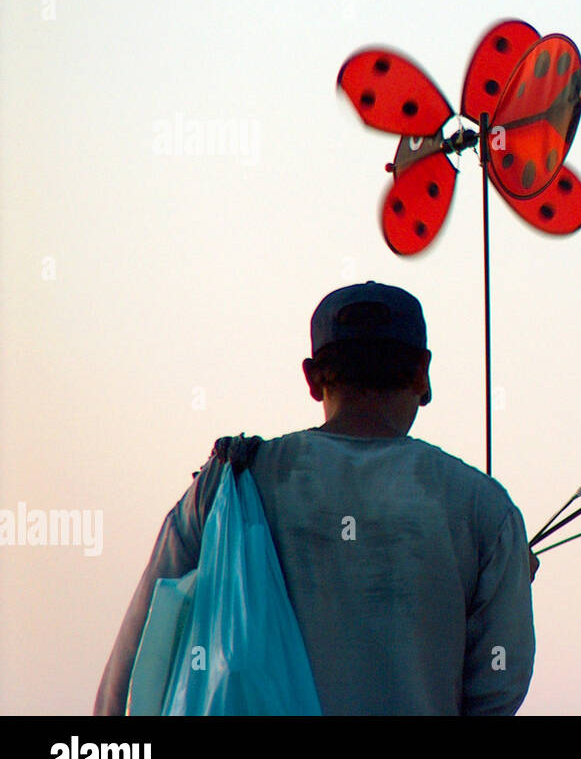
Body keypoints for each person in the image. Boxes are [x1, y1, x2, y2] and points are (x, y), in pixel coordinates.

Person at [94, 281, 536, 715]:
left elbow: (134, 670)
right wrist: (506, 574)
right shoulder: (484, 509)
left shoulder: (230, 485)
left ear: (311, 377)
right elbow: (498, 690)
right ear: (422, 372)